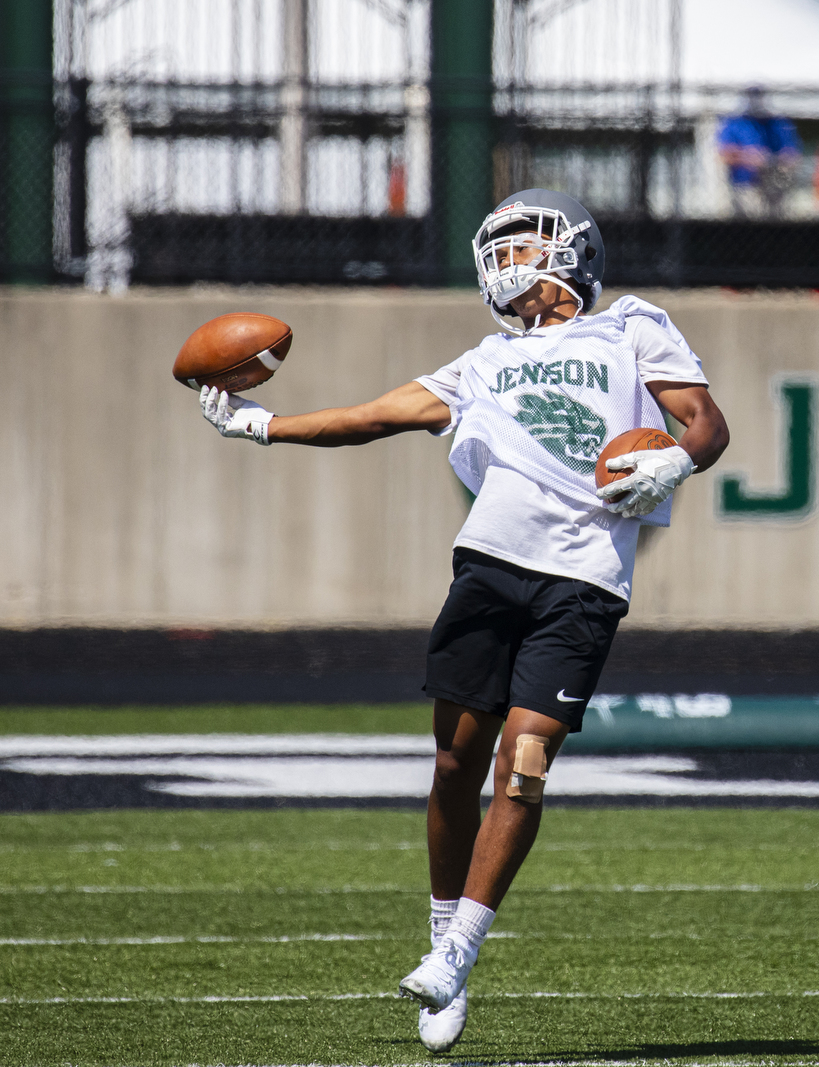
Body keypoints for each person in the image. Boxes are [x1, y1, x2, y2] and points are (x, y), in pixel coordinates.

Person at [195, 188, 729, 1053]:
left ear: (572, 251)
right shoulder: (481, 362)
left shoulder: (630, 326)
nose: (510, 256)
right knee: (453, 763)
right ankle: (442, 927)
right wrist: (262, 424)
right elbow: (368, 417)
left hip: (584, 581)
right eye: (502, 245)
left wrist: (672, 462)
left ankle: (458, 957)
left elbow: (705, 424)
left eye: (526, 241)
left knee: (524, 764)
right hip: (487, 566)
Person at [717, 86, 802, 218]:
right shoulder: (735, 122)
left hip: (772, 185)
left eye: (759, 96)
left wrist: (772, 161)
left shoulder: (776, 123)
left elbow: (792, 155)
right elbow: (723, 154)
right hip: (744, 186)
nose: (756, 101)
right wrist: (748, 157)